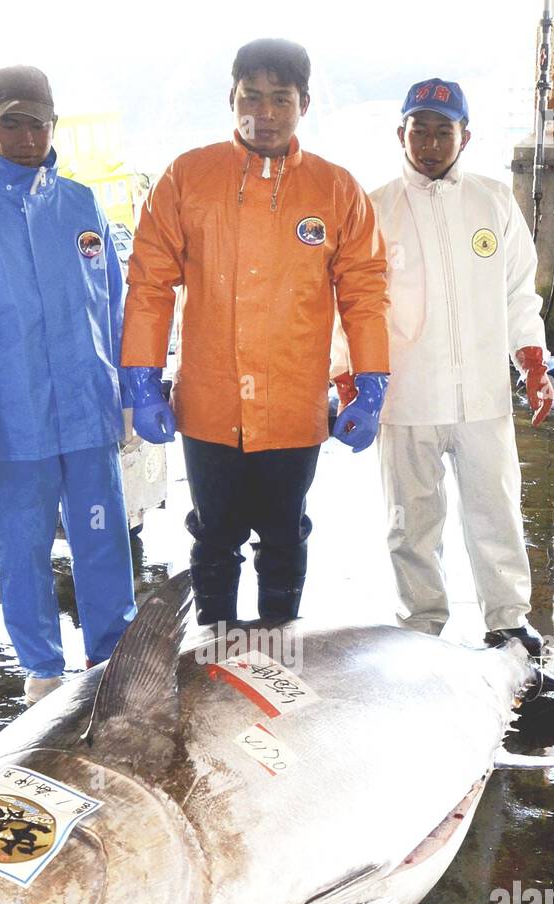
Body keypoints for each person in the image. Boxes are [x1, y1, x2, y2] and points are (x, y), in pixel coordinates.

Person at [121, 37, 390, 627]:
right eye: (252, 97)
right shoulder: (187, 177)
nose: (264, 113)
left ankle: (277, 647)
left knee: (285, 530)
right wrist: (141, 380)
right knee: (213, 533)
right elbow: (149, 282)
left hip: (295, 403)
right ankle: (213, 649)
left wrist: (371, 387)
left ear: (304, 104)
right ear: (231, 98)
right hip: (209, 401)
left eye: (280, 99)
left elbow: (366, 291)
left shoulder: (337, 189)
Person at [0, 66, 137, 704]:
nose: (25, 135)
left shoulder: (82, 204)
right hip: (14, 424)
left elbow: (116, 308)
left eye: (37, 122)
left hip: (88, 411)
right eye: (11, 122)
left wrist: (130, 394)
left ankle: (111, 661)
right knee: (23, 549)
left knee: (103, 539)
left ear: (54, 126)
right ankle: (42, 672)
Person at [363, 79, 553, 655]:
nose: (429, 141)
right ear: (401, 133)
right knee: (409, 523)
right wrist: (350, 376)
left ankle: (507, 618)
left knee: (495, 511)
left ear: (464, 136)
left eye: (443, 129)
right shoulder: (374, 207)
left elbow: (520, 291)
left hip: (482, 396)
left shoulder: (493, 200)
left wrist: (532, 361)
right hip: (407, 397)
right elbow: (355, 302)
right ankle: (420, 624)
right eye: (418, 128)